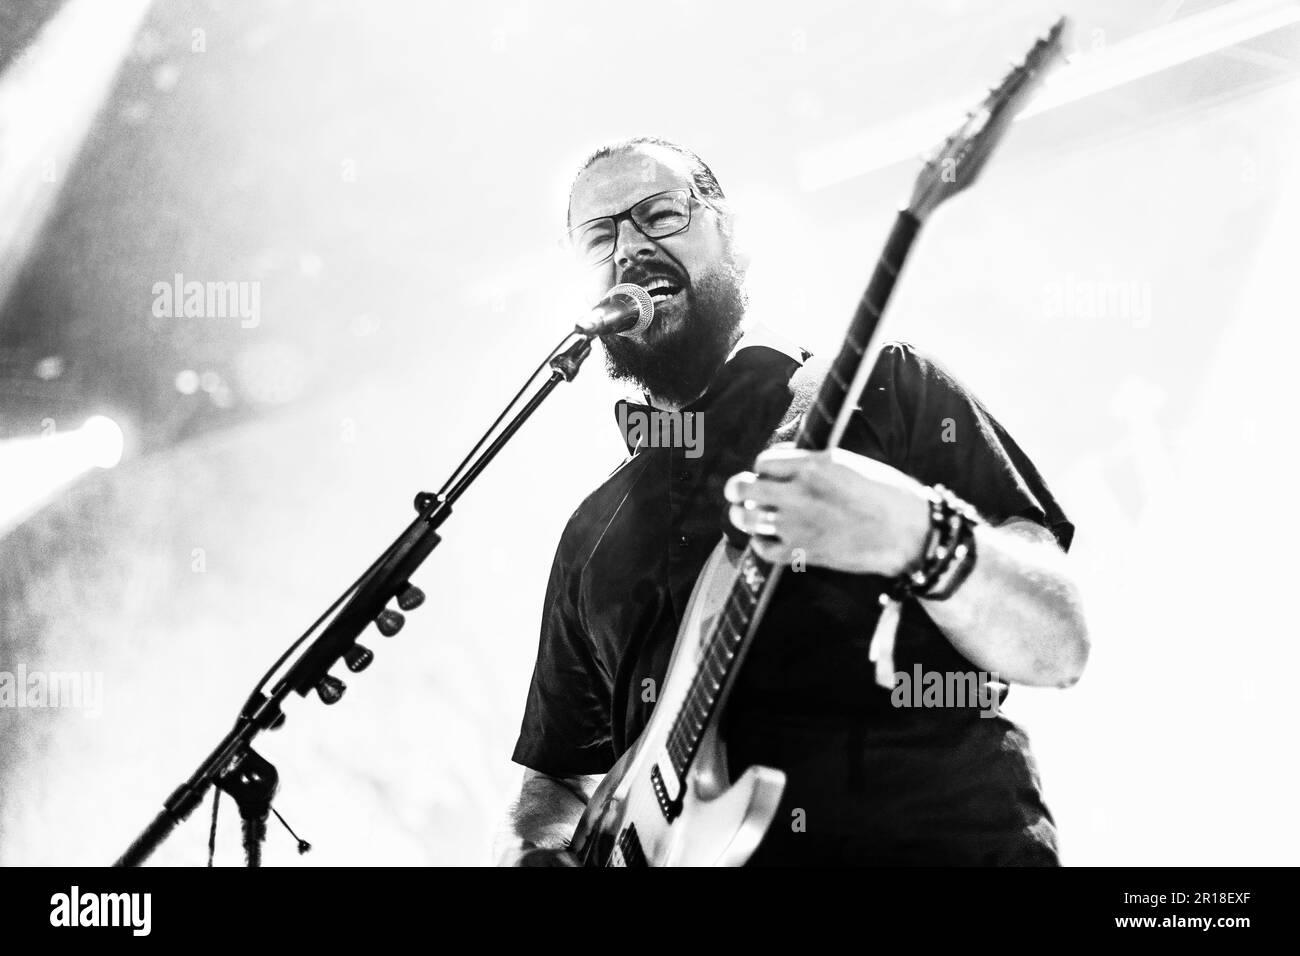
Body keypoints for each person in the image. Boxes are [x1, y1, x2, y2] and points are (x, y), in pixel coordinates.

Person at [497, 137, 1089, 866]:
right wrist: (530, 848)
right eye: (599, 236)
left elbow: (1058, 641)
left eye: (661, 214)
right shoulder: (590, 532)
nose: (629, 248)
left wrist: (920, 534)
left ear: (734, 238)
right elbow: (556, 780)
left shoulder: (881, 389)